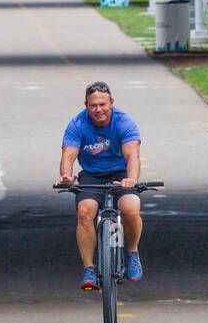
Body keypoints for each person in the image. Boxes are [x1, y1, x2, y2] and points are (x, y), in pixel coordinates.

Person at [55, 81, 144, 290]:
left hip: (121, 175)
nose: (98, 110)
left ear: (111, 103)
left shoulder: (124, 122)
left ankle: (132, 252)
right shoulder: (77, 124)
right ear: (86, 105)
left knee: (130, 208)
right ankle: (89, 268)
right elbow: (68, 154)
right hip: (92, 176)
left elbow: (133, 155)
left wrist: (131, 178)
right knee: (85, 211)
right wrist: (66, 176)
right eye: (93, 105)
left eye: (103, 104)